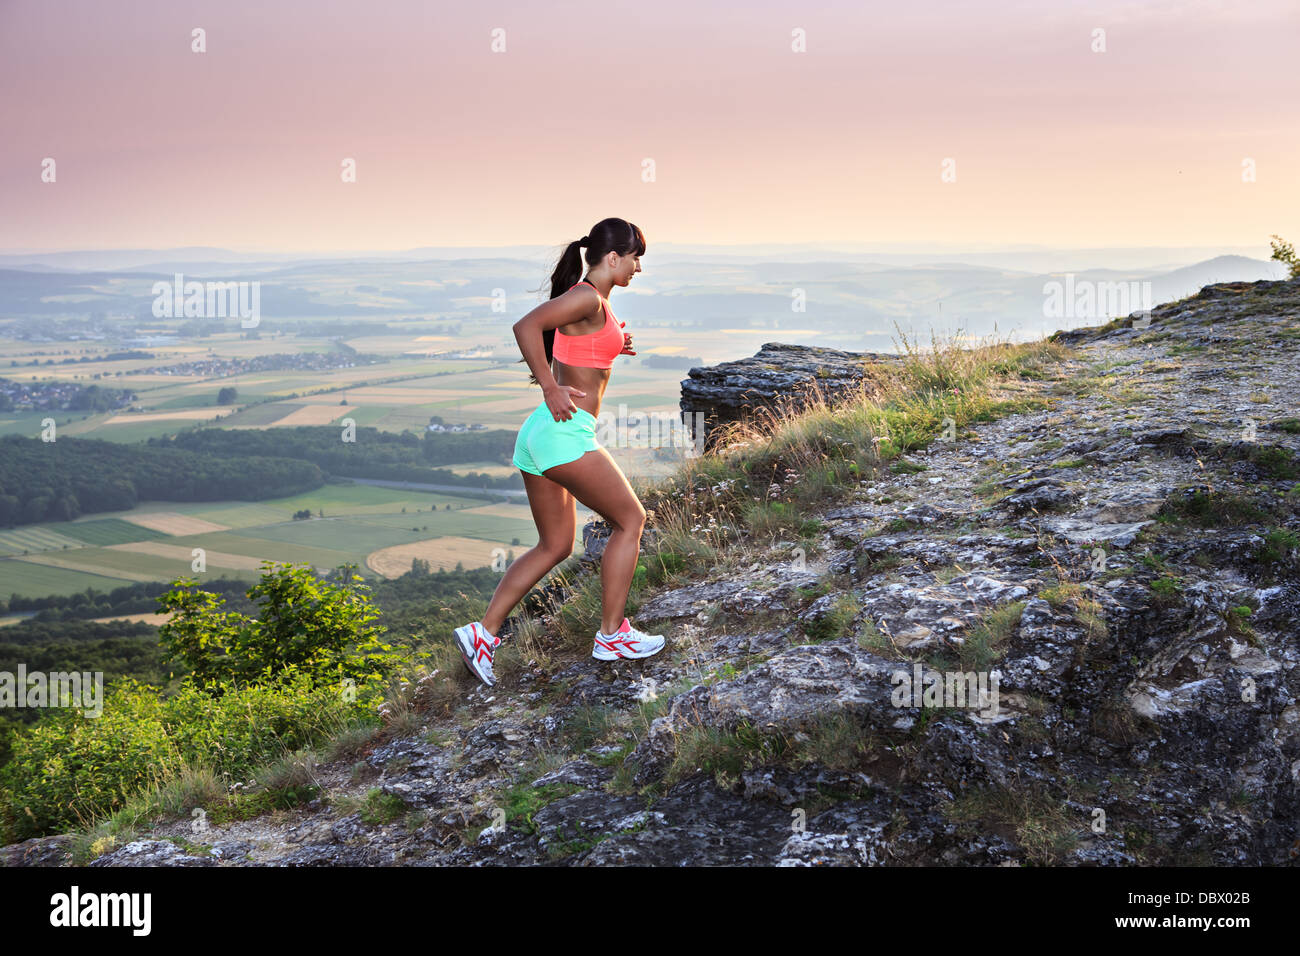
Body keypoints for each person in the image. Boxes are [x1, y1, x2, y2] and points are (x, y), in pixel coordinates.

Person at [454, 218, 666, 686]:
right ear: (614, 257)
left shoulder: (596, 303)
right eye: (635, 259)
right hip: (563, 433)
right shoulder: (588, 296)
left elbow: (579, 346)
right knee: (631, 520)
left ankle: (482, 633)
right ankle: (612, 635)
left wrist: (615, 344)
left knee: (554, 545)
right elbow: (527, 325)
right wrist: (550, 386)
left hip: (541, 434)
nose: (637, 268)